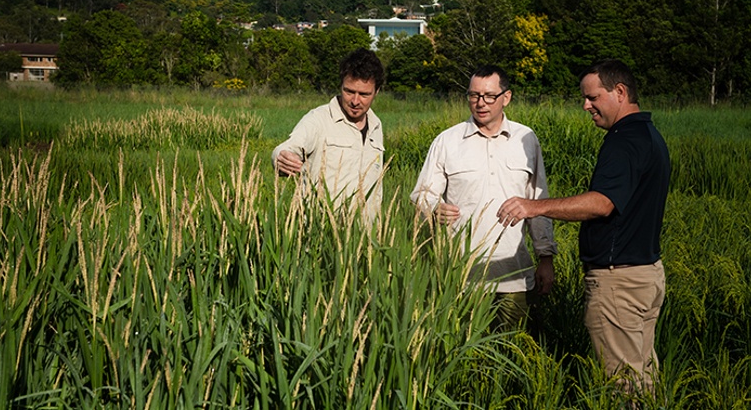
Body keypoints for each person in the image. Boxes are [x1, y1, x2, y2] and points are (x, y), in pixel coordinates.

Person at [497, 59, 670, 395]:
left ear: (619, 92)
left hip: (619, 281)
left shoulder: (624, 141)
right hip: (646, 275)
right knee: (643, 380)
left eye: (592, 97)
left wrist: (533, 206)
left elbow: (602, 202)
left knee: (623, 387)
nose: (586, 105)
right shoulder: (649, 134)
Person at [410, 65, 557, 331]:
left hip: (514, 276)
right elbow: (422, 194)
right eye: (473, 95)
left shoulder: (526, 139)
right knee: (463, 353)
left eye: (489, 96)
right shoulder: (447, 141)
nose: (480, 103)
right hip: (461, 278)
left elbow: (538, 201)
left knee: (513, 349)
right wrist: (433, 209)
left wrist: (545, 258)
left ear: (506, 97)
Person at [272, 47, 385, 224]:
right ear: (341, 85)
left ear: (377, 91)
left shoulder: (376, 127)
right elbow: (289, 147)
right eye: (349, 91)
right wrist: (281, 157)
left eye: (364, 94)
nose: (355, 101)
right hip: (321, 235)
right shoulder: (318, 119)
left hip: (365, 239)